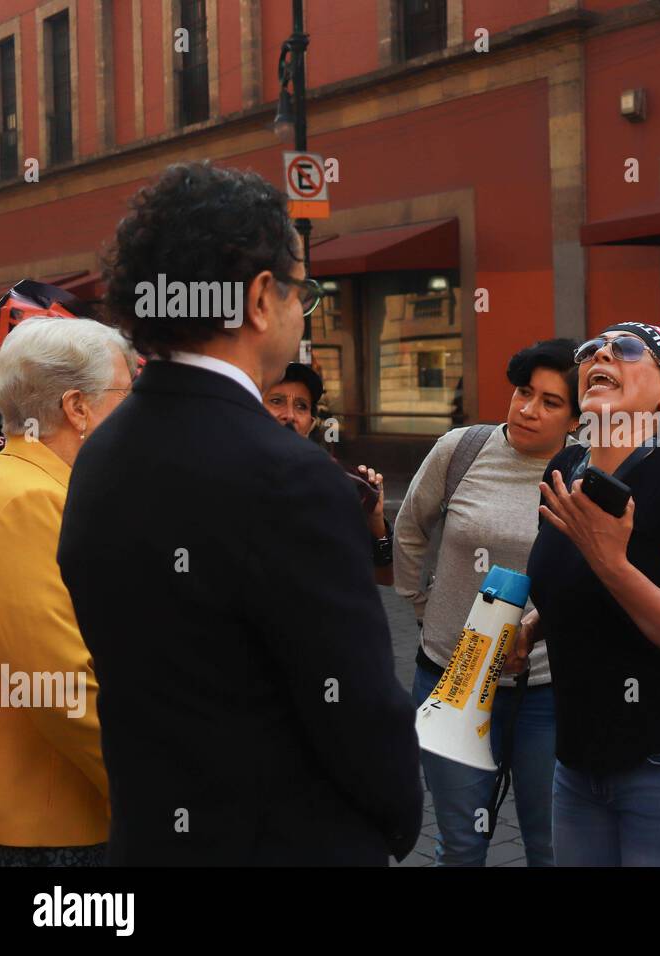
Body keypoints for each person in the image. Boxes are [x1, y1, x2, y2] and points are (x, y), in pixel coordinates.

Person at [56, 160, 422, 865]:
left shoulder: (99, 454)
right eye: (299, 292)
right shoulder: (291, 475)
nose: (298, 310)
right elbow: (357, 706)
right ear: (259, 299)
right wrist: (394, 822)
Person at [511, 322, 660, 867]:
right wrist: (533, 625)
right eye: (594, 349)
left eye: (629, 350)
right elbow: (574, 585)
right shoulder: (566, 468)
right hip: (577, 758)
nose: (603, 354)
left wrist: (612, 562)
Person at [393, 338, 579, 867]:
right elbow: (409, 530)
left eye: (550, 402)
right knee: (462, 844)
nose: (527, 409)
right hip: (451, 679)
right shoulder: (462, 449)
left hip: (542, 692)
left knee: (549, 846)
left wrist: (536, 627)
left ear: (575, 418)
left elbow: (587, 577)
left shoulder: (581, 476)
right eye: (524, 392)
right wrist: (424, 607)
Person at [0, 317, 133, 866]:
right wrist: (148, 787)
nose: (137, 411)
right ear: (78, 408)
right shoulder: (29, 500)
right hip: (47, 822)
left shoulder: (19, 485)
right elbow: (56, 684)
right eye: (127, 393)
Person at [264, 362, 394, 586]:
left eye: (301, 406)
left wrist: (375, 521)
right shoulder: (225, 476)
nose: (290, 415)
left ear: (311, 423)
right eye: (276, 401)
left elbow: (384, 577)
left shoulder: (337, 484)